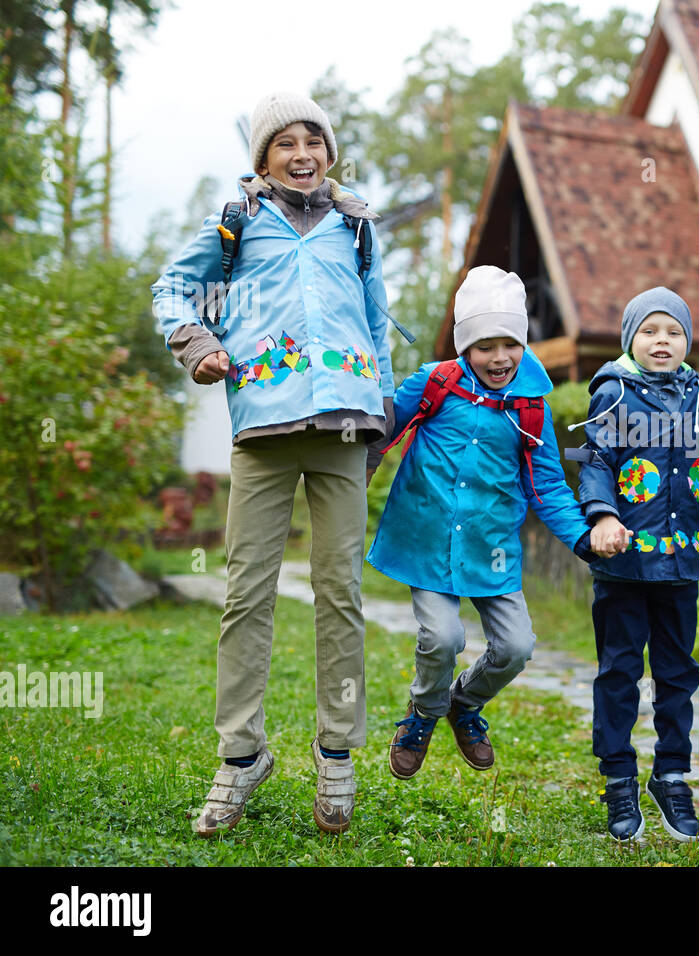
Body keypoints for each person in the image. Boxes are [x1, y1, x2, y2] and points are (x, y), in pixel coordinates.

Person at [152, 92, 394, 836]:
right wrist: (197, 345)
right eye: (284, 143)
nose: (301, 154)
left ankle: (337, 751)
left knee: (341, 591)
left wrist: (381, 406)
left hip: (343, 427)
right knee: (246, 593)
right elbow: (172, 289)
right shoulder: (237, 221)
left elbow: (378, 320)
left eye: (313, 140)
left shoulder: (354, 225)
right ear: (263, 158)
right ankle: (240, 756)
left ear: (328, 151)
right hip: (261, 424)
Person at [368, 266, 628, 782]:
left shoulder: (531, 409)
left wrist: (582, 537)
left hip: (492, 548)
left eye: (509, 343)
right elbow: (379, 425)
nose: (500, 357)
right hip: (429, 541)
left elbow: (548, 485)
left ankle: (463, 704)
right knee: (441, 638)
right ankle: (423, 713)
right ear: (466, 346)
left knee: (516, 647)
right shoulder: (435, 383)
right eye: (485, 345)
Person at [573, 287, 699, 842]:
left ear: (688, 341)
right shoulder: (613, 393)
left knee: (677, 675)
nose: (663, 341)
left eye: (674, 332)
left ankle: (672, 774)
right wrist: (603, 515)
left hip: (681, 565)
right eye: (651, 331)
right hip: (623, 566)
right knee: (619, 673)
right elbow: (594, 462)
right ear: (631, 337)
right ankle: (618, 779)